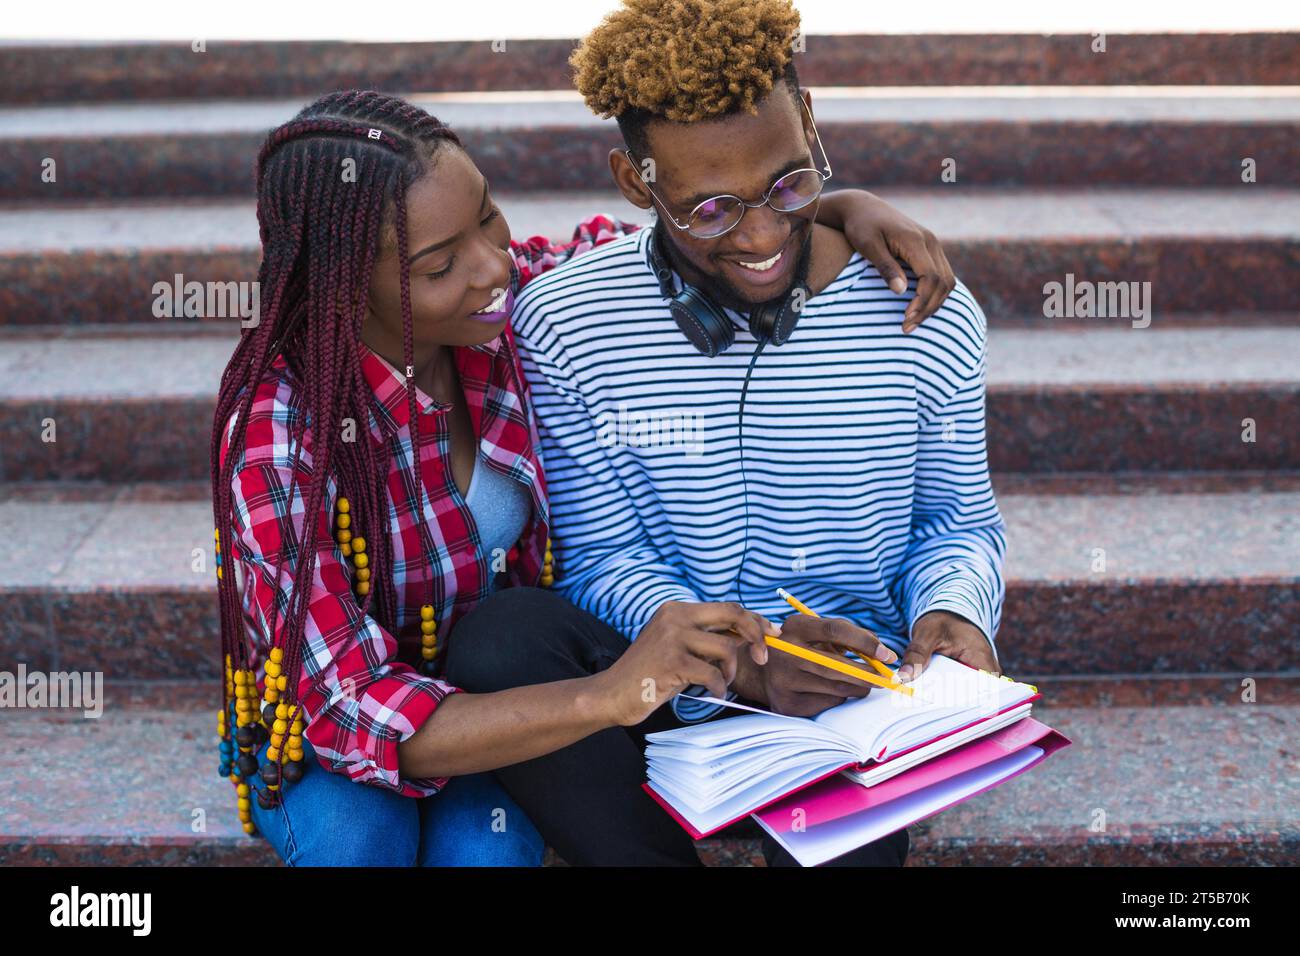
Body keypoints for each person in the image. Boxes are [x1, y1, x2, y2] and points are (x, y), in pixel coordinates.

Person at [210, 86, 958, 865]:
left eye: (488, 218)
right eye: (439, 265)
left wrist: (846, 208)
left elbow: (702, 225)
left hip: (512, 699)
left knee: (485, 855)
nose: (493, 264)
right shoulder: (278, 434)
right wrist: (609, 694)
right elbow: (348, 707)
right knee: (359, 841)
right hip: (362, 721)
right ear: (342, 291)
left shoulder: (520, 306)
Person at [478, 0, 1009, 866]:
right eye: (709, 209)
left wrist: (954, 612)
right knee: (500, 640)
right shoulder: (565, 322)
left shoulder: (924, 309)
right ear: (634, 183)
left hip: (846, 687)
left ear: (809, 124)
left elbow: (956, 525)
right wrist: (740, 661)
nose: (762, 235)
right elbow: (602, 559)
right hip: (661, 677)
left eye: (791, 185)